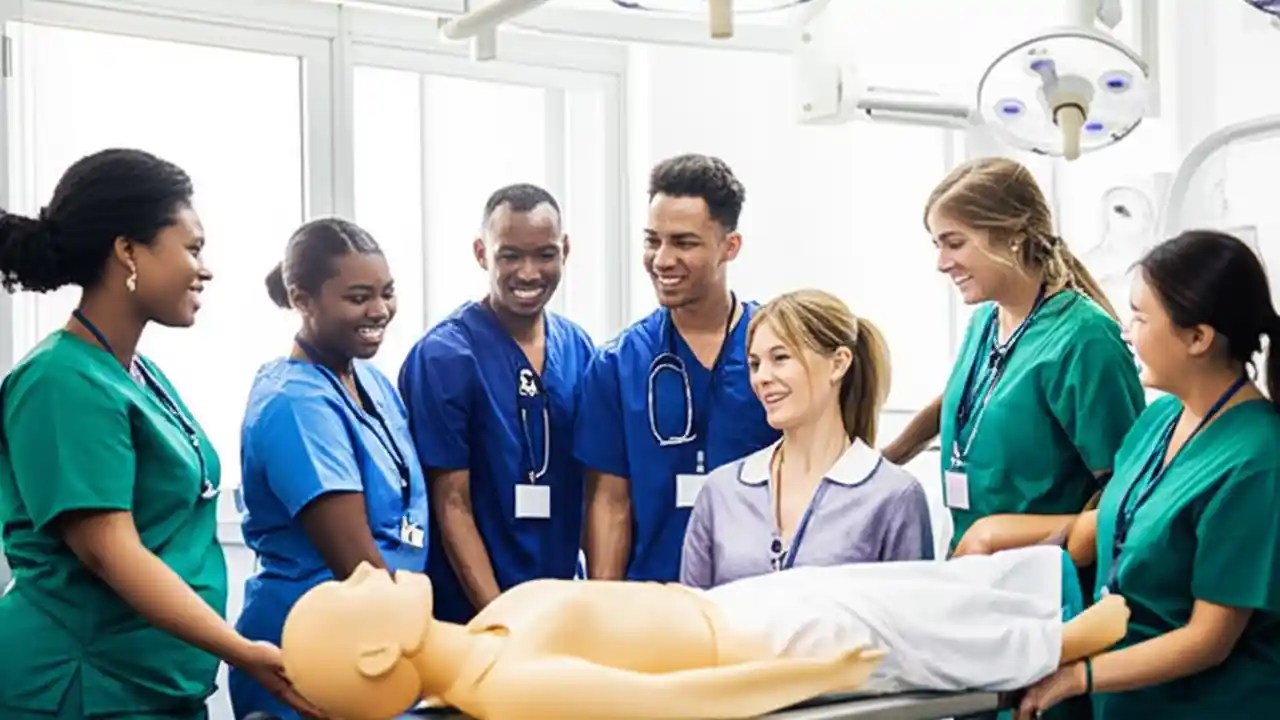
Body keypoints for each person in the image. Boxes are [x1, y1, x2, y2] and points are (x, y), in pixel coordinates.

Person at [0, 149, 318, 718]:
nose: (205, 269)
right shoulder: (60, 381)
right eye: (192, 248)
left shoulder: (134, 373)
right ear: (128, 251)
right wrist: (242, 652)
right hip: (82, 685)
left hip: (154, 685)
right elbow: (110, 553)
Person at [276, 547, 1131, 720]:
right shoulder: (509, 686)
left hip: (739, 604)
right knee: (917, 633)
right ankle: (1061, 644)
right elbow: (678, 701)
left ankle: (1046, 589)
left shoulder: (489, 629)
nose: (364, 572)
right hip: (757, 645)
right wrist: (817, 675)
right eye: (352, 595)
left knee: (923, 590)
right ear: (377, 655)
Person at [1009, 230, 1280, 720]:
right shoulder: (1159, 420)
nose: (1126, 332)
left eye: (1139, 317)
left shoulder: (1258, 461)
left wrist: (1077, 676)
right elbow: (1114, 532)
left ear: (1198, 338)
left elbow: (1209, 639)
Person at [882, 157, 1146, 560]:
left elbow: (1126, 492)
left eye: (955, 243)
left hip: (1047, 579)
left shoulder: (1084, 340)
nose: (942, 263)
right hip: (975, 567)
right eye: (938, 246)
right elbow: (968, 398)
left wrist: (1000, 537)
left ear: (1013, 238)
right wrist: (884, 462)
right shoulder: (987, 321)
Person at [231, 218, 429, 717]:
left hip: (377, 638)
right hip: (314, 649)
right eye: (358, 297)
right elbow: (357, 567)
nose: (379, 310)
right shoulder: (294, 404)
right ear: (302, 299)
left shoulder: (371, 381)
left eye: (387, 293)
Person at [574, 154, 780, 582]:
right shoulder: (618, 363)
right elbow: (610, 502)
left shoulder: (778, 351)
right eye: (653, 241)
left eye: (684, 243)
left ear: (730, 247)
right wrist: (606, 606)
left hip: (759, 596)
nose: (662, 259)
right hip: (654, 599)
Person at [398, 184, 594, 623]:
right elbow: (451, 503)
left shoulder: (578, 347)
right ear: (481, 253)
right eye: (510, 256)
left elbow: (591, 487)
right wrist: (499, 620)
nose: (528, 272)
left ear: (565, 250)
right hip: (473, 614)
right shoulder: (445, 357)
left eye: (545, 254)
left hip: (559, 606)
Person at [681, 290, 933, 589]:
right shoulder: (722, 492)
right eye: (755, 364)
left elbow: (908, 614)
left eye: (780, 358)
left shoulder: (894, 496)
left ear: (838, 364)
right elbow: (690, 612)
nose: (761, 378)